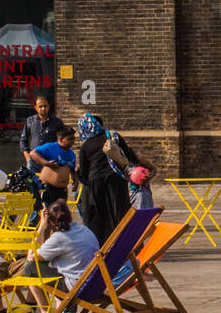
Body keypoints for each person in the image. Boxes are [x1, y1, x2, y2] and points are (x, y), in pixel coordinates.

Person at [13, 199, 100, 313]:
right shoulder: (85, 230)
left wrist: (42, 226)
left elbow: (31, 258)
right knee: (50, 267)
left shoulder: (59, 238)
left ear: (51, 221)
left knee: (30, 268)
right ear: (70, 215)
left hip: (74, 288)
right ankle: (64, 309)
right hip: (93, 283)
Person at [76, 113, 143, 246]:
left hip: (96, 183)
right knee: (121, 212)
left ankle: (103, 245)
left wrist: (81, 179)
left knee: (100, 216)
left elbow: (84, 172)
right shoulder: (113, 136)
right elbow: (128, 155)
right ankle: (128, 243)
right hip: (116, 179)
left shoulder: (86, 146)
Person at [29, 128, 79, 206]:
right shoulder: (50, 147)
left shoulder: (71, 154)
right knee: (48, 213)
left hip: (62, 190)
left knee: (60, 213)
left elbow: (72, 169)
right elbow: (32, 153)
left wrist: (75, 180)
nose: (73, 141)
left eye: (73, 139)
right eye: (70, 139)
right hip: (48, 189)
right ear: (61, 139)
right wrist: (46, 163)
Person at [19, 93, 63, 167]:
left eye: (45, 106)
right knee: (33, 178)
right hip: (33, 161)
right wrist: (27, 157)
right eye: (40, 106)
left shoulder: (57, 122)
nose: (43, 108)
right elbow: (23, 140)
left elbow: (62, 141)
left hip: (51, 161)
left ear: (49, 106)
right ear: (35, 107)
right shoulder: (30, 121)